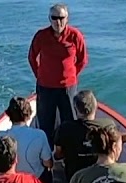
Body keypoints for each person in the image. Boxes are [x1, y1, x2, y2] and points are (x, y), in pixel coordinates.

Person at [28, 3, 87, 146]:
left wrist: (71, 75)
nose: (58, 22)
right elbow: (32, 57)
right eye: (54, 18)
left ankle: (69, 156)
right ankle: (46, 157)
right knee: (45, 124)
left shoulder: (75, 36)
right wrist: (40, 75)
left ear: (67, 18)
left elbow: (82, 60)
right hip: (45, 87)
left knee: (70, 123)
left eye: (61, 18)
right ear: (49, 18)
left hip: (68, 88)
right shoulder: (41, 36)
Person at [53, 89, 116, 183]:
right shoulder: (108, 125)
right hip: (99, 175)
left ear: (76, 109)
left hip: (73, 177)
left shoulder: (64, 128)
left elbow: (57, 155)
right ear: (96, 107)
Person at [0, 97, 54, 183]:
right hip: (37, 180)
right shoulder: (39, 135)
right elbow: (48, 163)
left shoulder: (0, 138)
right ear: (28, 114)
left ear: (9, 115)